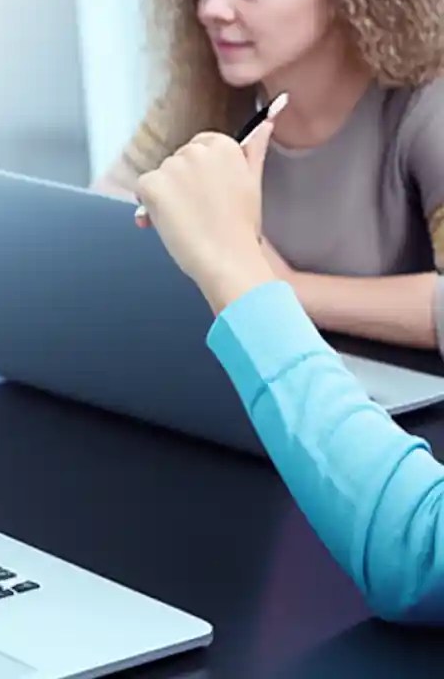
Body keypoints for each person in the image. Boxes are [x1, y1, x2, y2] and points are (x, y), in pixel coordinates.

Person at [134, 106, 444, 624]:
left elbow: (420, 552)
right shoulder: (204, 93)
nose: (211, 17)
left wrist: (237, 269)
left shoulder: (424, 115)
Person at [96, 0, 444, 358]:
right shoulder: (205, 93)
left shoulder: (429, 102)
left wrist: (275, 287)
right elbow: (106, 207)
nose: (210, 8)